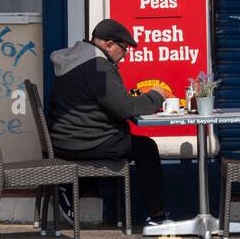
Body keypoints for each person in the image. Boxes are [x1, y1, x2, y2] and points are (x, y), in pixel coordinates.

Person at [48, 18, 169, 225]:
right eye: (124, 49)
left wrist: (135, 99)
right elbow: (124, 109)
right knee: (146, 148)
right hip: (84, 141)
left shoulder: (78, 60)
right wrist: (157, 96)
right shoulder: (98, 66)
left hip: (66, 139)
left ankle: (68, 189)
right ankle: (158, 217)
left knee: (122, 140)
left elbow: (108, 102)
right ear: (109, 45)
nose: (125, 56)